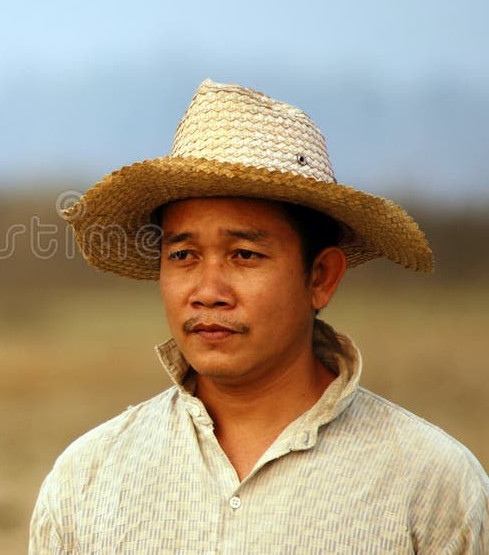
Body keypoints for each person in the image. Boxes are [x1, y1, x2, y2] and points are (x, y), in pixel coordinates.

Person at [30, 79, 489, 553]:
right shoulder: (86, 481)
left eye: (245, 255)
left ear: (321, 277)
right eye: (183, 255)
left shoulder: (432, 487)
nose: (208, 292)